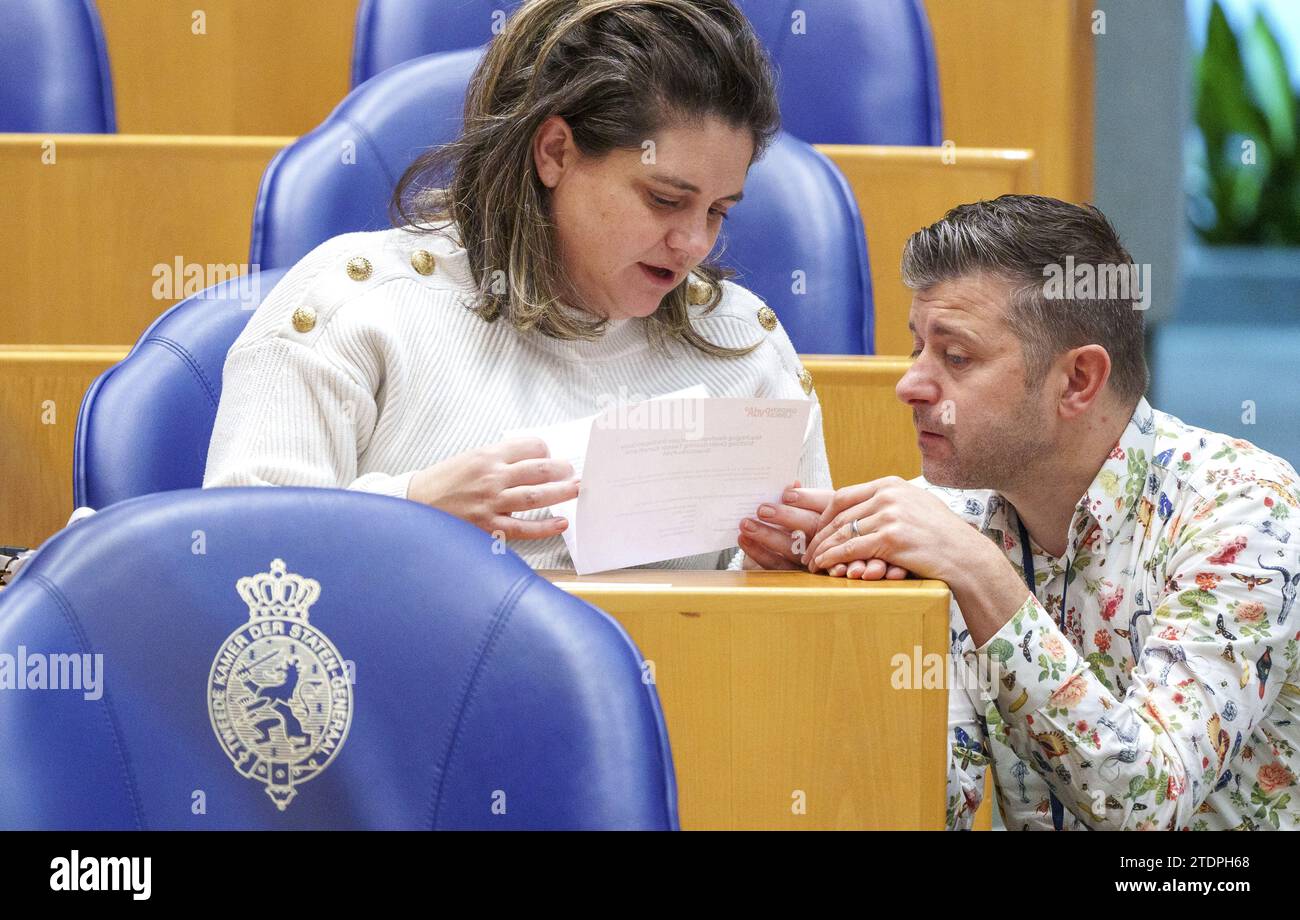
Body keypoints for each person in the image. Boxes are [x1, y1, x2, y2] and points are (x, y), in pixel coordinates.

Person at [202, 0, 830, 571]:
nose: (695, 244)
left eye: (719, 210)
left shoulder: (745, 349)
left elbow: (801, 648)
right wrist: (413, 507)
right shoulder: (354, 307)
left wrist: (784, 568)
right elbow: (237, 562)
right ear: (555, 152)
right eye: (666, 199)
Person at [750, 194, 1300, 829]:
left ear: (1077, 381)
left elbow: (1147, 806)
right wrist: (834, 608)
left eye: (956, 357)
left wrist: (979, 572)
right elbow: (937, 805)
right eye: (916, 347)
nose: (910, 385)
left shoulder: (1244, 510)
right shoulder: (948, 518)